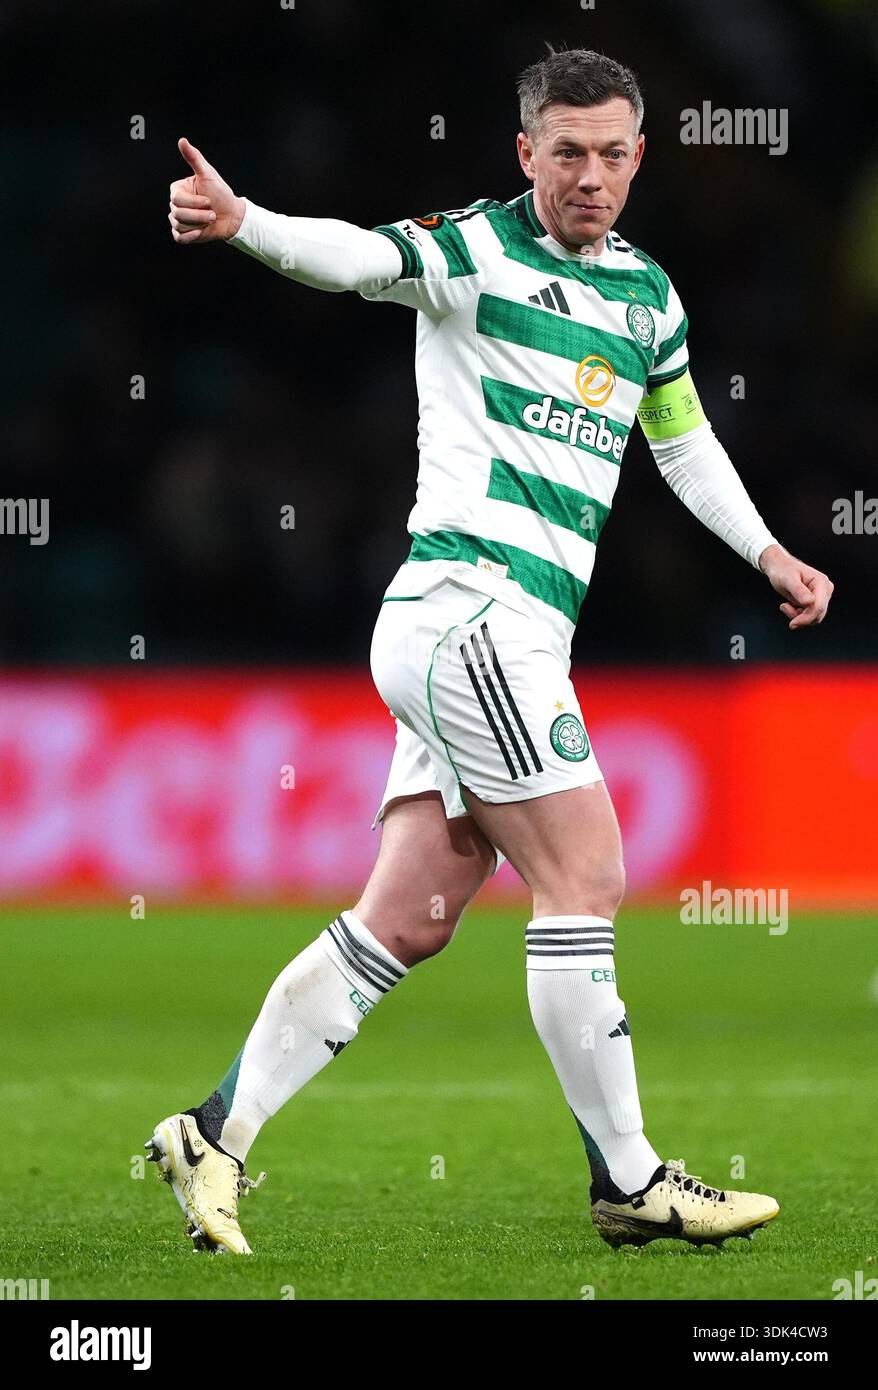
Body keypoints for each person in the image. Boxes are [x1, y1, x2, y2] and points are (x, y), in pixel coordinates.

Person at [148, 47, 833, 1255]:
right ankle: (629, 1180)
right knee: (586, 879)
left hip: (480, 633)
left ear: (637, 157)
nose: (589, 176)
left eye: (611, 153)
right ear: (525, 152)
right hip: (475, 612)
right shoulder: (475, 247)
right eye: (565, 151)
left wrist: (768, 552)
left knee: (407, 916)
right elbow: (359, 258)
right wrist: (247, 220)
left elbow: (677, 445)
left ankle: (214, 1133)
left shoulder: (647, 301)